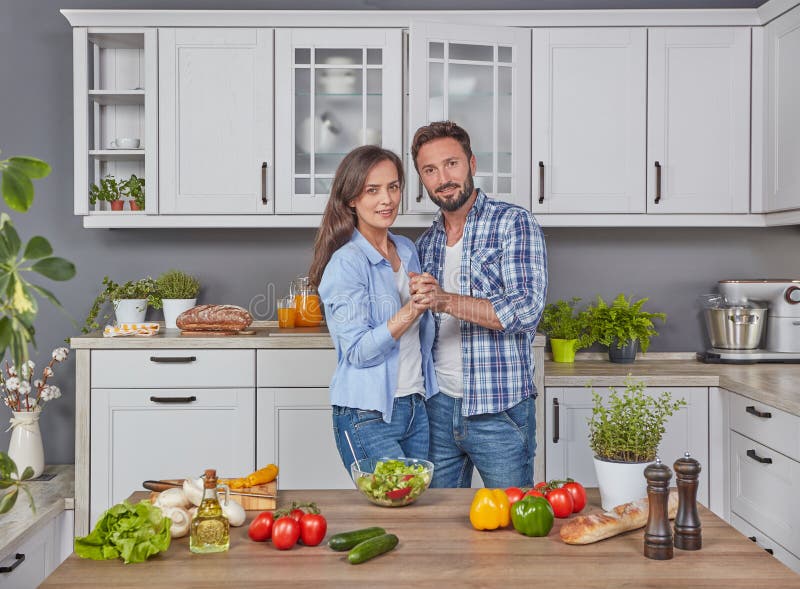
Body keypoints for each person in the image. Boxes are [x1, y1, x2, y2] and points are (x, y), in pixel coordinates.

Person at [409, 121, 548, 488]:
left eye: (451, 164)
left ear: (471, 163)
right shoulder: (425, 243)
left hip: (499, 409)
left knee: (511, 517)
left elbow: (526, 309)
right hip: (437, 408)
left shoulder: (513, 223)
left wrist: (445, 300)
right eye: (430, 170)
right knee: (438, 519)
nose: (443, 178)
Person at [309, 145, 438, 476]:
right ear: (352, 198)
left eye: (393, 187)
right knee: (391, 501)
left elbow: (421, 334)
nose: (387, 199)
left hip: (415, 406)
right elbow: (357, 351)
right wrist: (411, 310)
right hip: (367, 414)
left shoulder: (406, 248)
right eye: (373, 190)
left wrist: (429, 296)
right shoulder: (346, 262)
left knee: (415, 504)